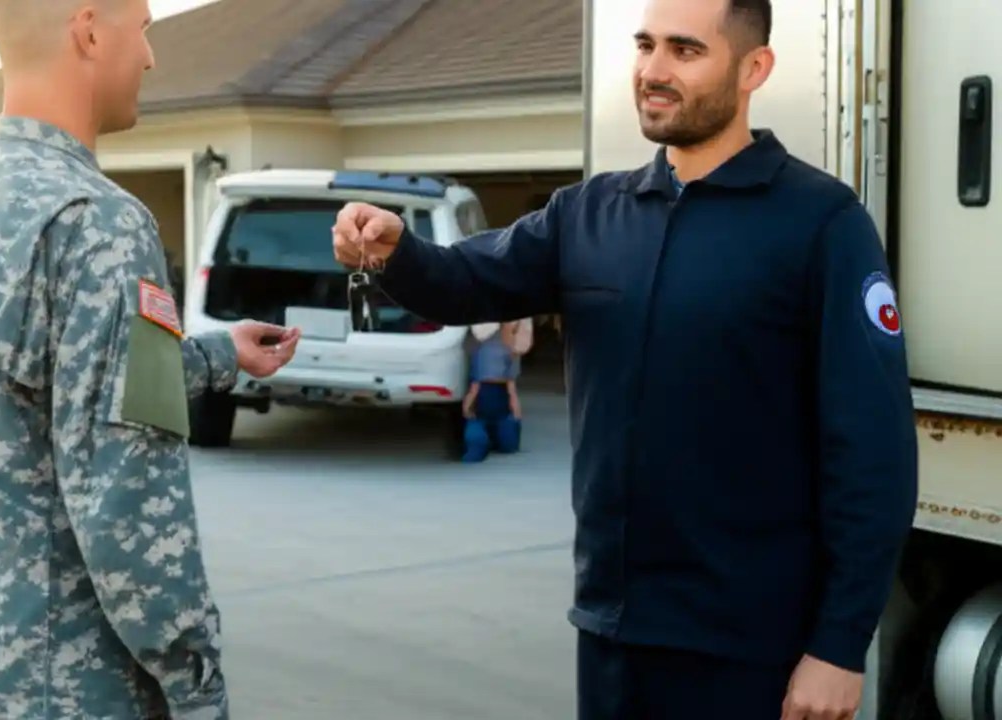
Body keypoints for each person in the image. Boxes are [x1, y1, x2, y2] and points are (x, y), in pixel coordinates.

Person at [331, 0, 919, 717]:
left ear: (753, 69)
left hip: (752, 647)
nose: (653, 70)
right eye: (644, 45)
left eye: (684, 50)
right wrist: (397, 250)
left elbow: (873, 454)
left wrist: (838, 644)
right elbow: (468, 277)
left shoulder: (820, 223)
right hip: (612, 632)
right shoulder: (589, 214)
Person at [0, 1, 300, 718]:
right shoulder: (99, 222)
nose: (149, 55)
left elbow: (43, 392)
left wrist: (216, 355)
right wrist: (196, 679)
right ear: (89, 29)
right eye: (142, 27)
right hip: (78, 687)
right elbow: (129, 509)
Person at [461, 321, 526, 463]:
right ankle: (484, 439)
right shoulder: (495, 348)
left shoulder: (504, 349)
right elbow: (477, 384)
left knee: (505, 445)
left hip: (492, 400)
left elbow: (510, 387)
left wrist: (516, 416)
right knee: (480, 445)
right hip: (489, 399)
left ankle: (486, 438)